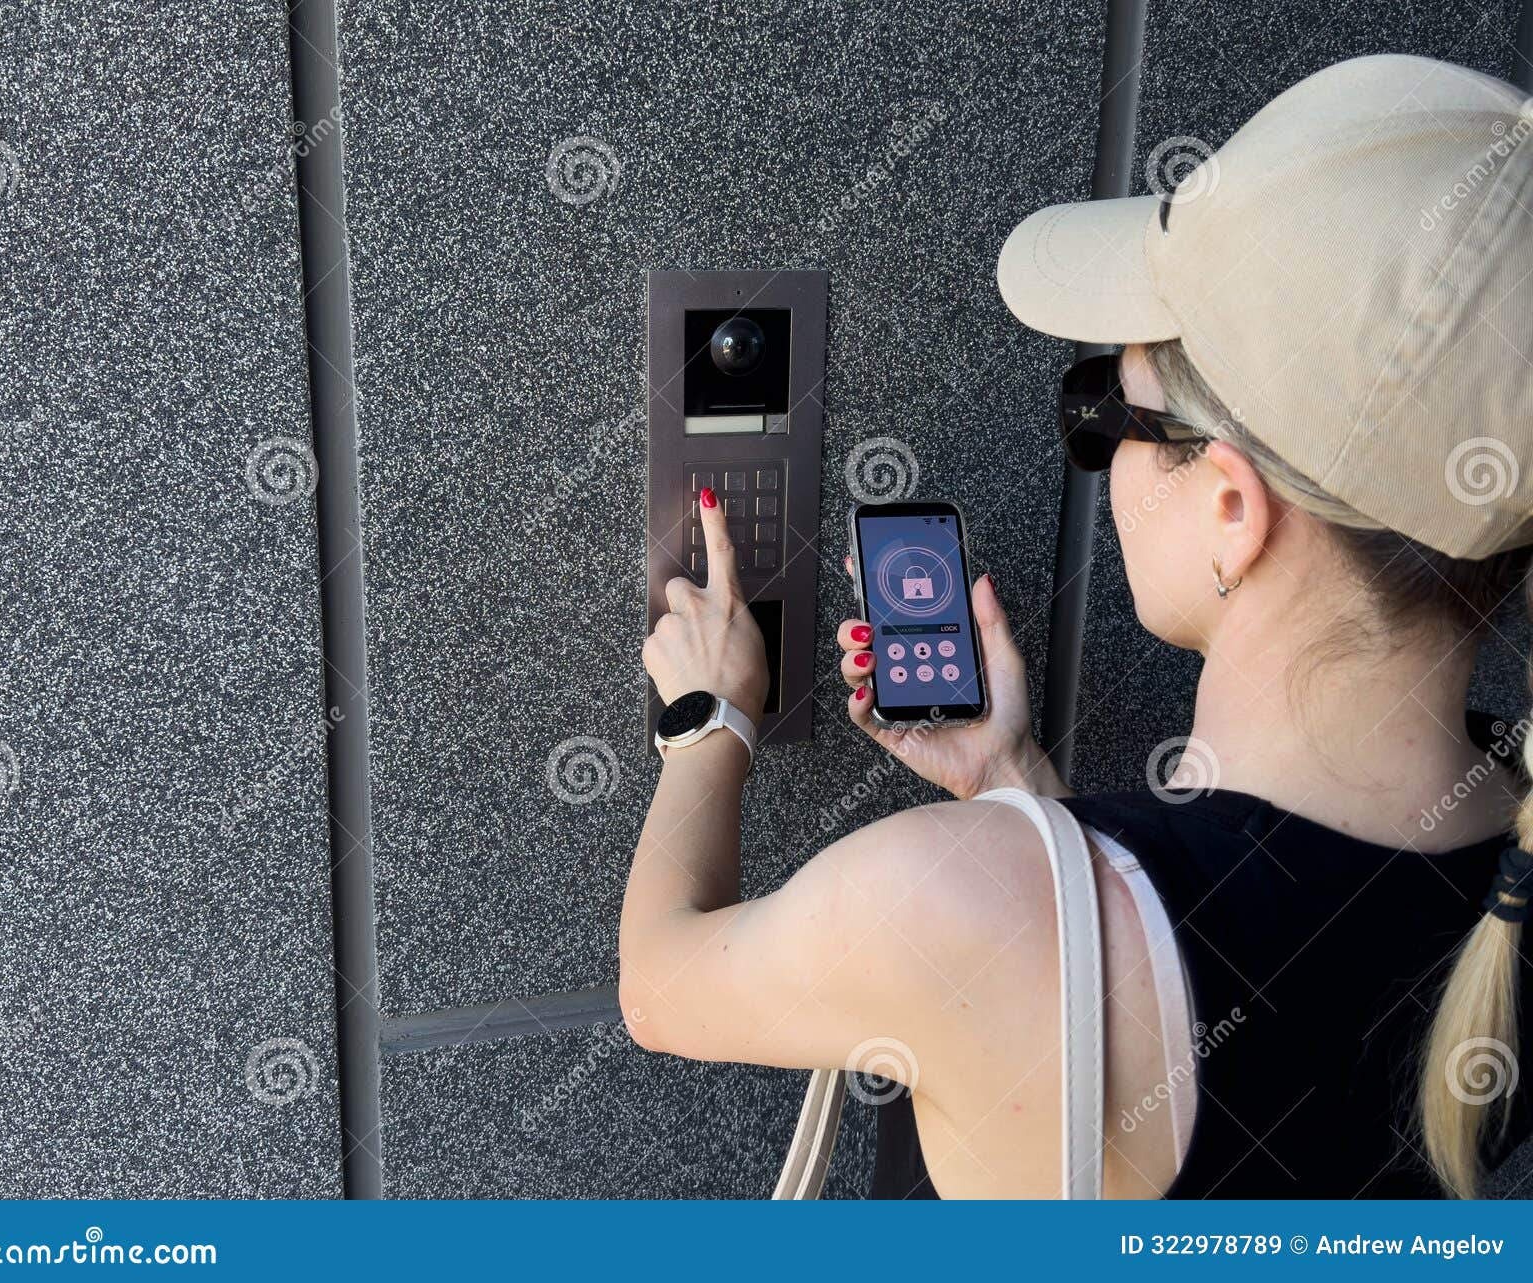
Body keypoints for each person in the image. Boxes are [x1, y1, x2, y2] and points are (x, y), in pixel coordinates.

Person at [619, 53, 1533, 1198]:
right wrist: (1024, 805)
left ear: (1232, 509)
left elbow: (659, 990)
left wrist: (710, 723)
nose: (1099, 450)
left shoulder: (945, 907)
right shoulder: (1517, 849)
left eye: (1105, 410)